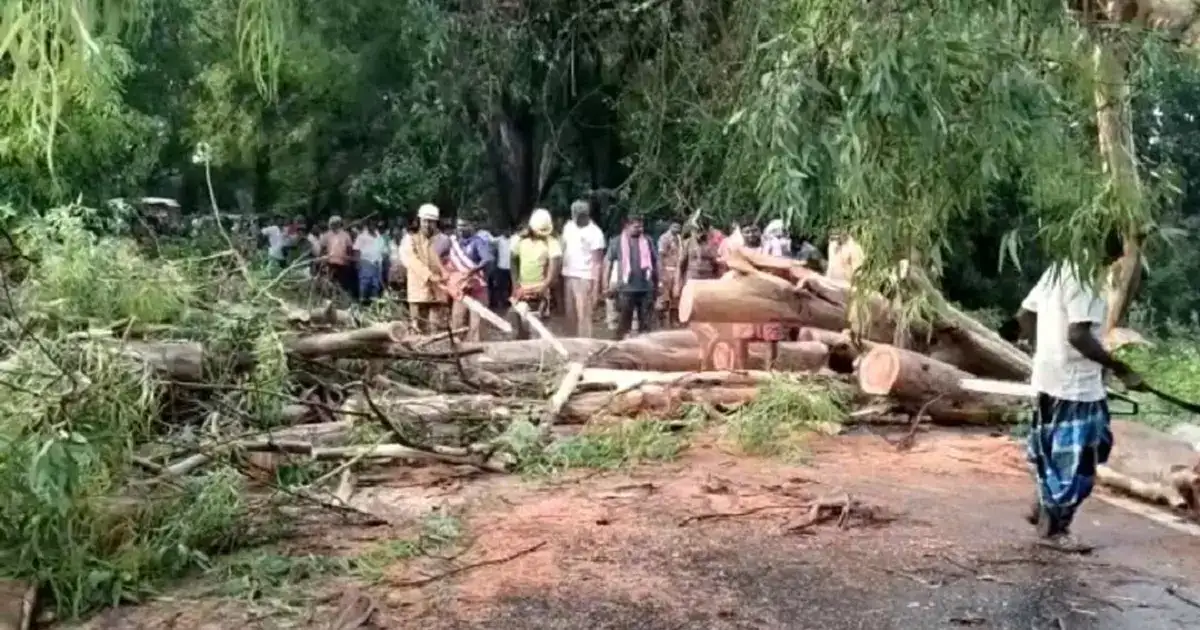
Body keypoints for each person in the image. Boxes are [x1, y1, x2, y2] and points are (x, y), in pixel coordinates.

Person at [1014, 233, 1143, 552]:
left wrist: (1042, 351)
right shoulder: (1085, 278)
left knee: (1055, 447)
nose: (1121, 254)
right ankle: (1055, 529)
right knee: (1081, 459)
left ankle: (1045, 503)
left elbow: (1025, 315)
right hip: (1076, 385)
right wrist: (1120, 368)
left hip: (1049, 378)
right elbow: (1078, 335)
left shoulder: (1060, 268)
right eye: (1121, 245)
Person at [509, 208, 562, 339]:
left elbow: (553, 268)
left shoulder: (552, 242)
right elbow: (513, 261)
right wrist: (515, 284)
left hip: (541, 287)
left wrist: (544, 286)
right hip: (522, 287)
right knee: (516, 321)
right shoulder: (519, 240)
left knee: (538, 327)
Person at [603, 215, 658, 340]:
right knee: (623, 325)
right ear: (627, 226)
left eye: (641, 226)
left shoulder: (648, 241)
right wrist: (605, 285)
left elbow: (655, 263)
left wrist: (658, 284)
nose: (640, 229)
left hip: (645, 289)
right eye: (636, 226)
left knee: (646, 326)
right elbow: (608, 263)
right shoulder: (617, 241)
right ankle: (618, 350)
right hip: (625, 289)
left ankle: (646, 352)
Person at [560, 199, 606, 337]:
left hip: (585, 277)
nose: (574, 217)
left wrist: (596, 287)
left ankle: (585, 346)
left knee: (584, 315)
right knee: (570, 314)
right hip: (568, 274)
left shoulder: (595, 233)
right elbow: (562, 248)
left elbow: (598, 262)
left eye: (577, 215)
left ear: (585, 215)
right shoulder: (568, 226)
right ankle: (571, 345)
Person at [401, 204, 450, 334]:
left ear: (436, 222)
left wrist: (445, 274)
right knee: (416, 325)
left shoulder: (443, 240)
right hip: (418, 288)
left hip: (437, 289)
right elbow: (411, 260)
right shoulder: (410, 239)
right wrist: (429, 276)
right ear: (419, 221)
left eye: (431, 222)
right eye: (425, 221)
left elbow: (447, 261)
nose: (427, 225)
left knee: (435, 326)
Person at [447, 217, 494, 342]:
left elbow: (487, 259)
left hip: (477, 287)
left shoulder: (478, 242)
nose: (461, 229)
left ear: (472, 226)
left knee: (477, 322)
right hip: (461, 288)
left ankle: (477, 351)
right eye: (459, 226)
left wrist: (473, 271)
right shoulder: (455, 243)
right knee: (457, 319)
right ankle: (458, 349)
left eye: (464, 225)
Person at [319, 216, 355, 296]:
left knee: (342, 283)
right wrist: (322, 260)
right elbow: (323, 249)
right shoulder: (327, 235)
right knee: (330, 281)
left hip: (342, 263)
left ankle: (341, 298)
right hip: (330, 262)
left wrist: (348, 260)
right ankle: (330, 298)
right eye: (332, 224)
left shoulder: (345, 235)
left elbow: (349, 248)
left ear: (339, 224)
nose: (334, 225)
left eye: (336, 224)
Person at [656, 221, 683, 327]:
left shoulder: (679, 238)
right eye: (675, 226)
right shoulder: (664, 238)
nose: (677, 228)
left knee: (675, 298)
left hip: (676, 270)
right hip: (666, 270)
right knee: (664, 298)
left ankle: (673, 321)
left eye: (679, 226)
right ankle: (660, 322)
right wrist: (661, 273)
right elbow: (660, 257)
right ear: (670, 226)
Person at [352, 222, 386, 303]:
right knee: (364, 283)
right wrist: (357, 262)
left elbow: (382, 251)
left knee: (375, 285)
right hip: (365, 262)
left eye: (374, 225)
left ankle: (373, 306)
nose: (373, 226)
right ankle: (362, 303)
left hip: (376, 263)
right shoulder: (362, 236)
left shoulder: (379, 237)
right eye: (371, 224)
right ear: (368, 226)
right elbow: (356, 249)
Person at [491, 230, 513, 312]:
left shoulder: (513, 239)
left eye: (508, 230)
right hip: (501, 267)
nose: (507, 232)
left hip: (511, 267)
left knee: (511, 285)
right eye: (505, 230)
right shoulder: (499, 239)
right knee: (501, 286)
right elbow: (491, 241)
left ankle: (510, 301)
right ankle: (501, 301)